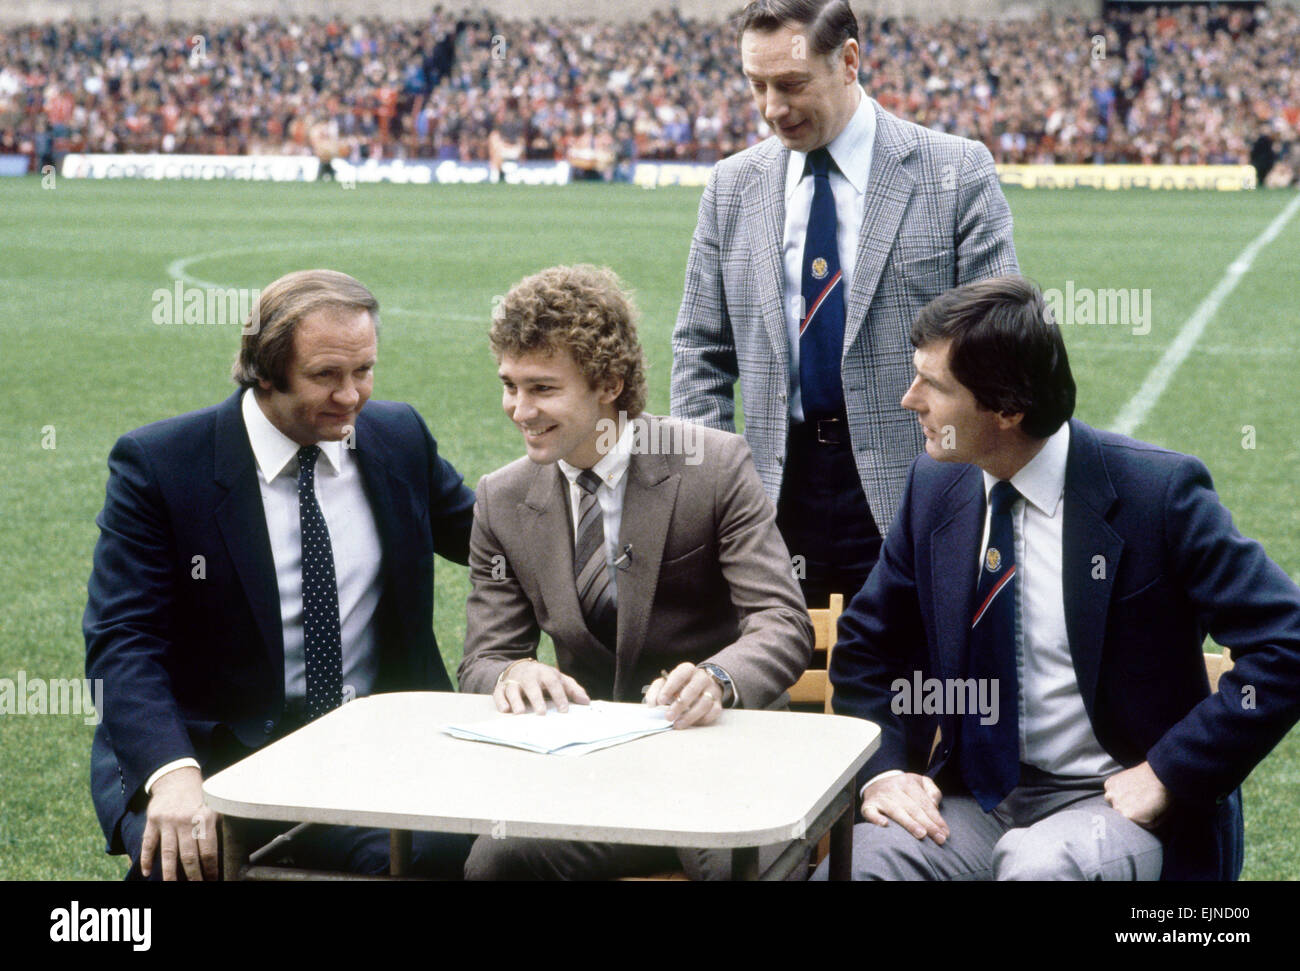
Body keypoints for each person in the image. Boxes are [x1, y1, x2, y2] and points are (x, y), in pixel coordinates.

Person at [819, 275, 1300, 880]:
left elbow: (1287, 640)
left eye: (933, 386)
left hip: (1111, 804)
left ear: (1007, 410)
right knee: (861, 866)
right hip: (976, 803)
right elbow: (866, 648)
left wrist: (1170, 771)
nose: (908, 399)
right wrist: (887, 773)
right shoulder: (934, 487)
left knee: (1038, 868)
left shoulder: (1159, 495)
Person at [84, 269, 476, 880]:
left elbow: (496, 544)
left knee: (439, 859)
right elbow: (123, 640)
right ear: (264, 371)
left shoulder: (398, 438)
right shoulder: (162, 465)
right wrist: (172, 773)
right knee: (184, 861)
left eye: (364, 371)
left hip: (374, 752)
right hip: (213, 755)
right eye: (326, 376)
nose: (351, 396)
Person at [458, 264, 813, 880]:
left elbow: (782, 623)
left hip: (723, 763)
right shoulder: (501, 498)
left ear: (610, 383)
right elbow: (481, 660)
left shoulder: (715, 466)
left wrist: (717, 679)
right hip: (595, 775)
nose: (518, 409)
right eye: (509, 385)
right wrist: (513, 671)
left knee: (736, 866)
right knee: (496, 860)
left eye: (542, 388)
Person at [670, 0, 1018, 607]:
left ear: (849, 60)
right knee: (780, 683)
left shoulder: (956, 173)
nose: (773, 107)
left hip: (923, 484)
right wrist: (715, 485)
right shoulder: (731, 186)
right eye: (757, 86)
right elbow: (700, 349)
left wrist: (962, 479)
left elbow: (1002, 346)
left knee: (909, 689)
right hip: (772, 495)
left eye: (792, 83)